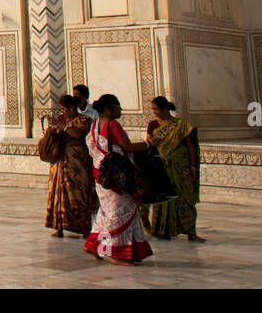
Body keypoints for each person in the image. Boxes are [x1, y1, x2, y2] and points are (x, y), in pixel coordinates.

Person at [84, 94, 152, 264]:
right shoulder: (113, 125)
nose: (120, 109)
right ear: (108, 109)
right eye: (117, 106)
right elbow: (127, 146)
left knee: (108, 211)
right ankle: (117, 254)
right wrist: (150, 143)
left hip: (102, 176)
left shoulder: (94, 126)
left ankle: (97, 246)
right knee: (121, 212)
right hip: (116, 178)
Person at [145, 96, 204, 242]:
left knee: (186, 198)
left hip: (180, 166)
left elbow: (190, 146)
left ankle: (191, 232)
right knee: (163, 199)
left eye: (156, 109)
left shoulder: (181, 125)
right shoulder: (152, 125)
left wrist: (193, 166)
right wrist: (151, 142)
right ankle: (162, 230)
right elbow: (148, 142)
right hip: (162, 167)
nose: (154, 112)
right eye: (153, 109)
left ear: (165, 109)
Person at [44, 94, 98, 238]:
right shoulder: (62, 120)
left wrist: (63, 126)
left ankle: (84, 227)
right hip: (60, 161)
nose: (63, 112)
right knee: (58, 194)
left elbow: (78, 134)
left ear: (72, 108)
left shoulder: (84, 120)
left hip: (76, 162)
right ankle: (59, 226)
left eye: (64, 109)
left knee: (77, 194)